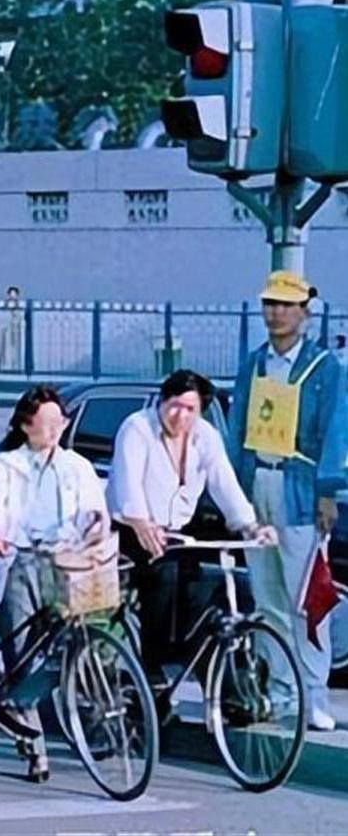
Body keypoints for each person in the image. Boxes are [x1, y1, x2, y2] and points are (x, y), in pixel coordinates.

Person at [226, 270, 348, 732]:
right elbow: (237, 429)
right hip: (259, 482)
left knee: (306, 600)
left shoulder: (325, 368)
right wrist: (235, 493)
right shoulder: (253, 363)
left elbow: (336, 430)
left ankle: (314, 696)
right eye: (270, 304)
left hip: (299, 490)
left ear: (303, 312)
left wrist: (327, 491)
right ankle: (281, 693)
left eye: (285, 305)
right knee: (268, 599)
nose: (276, 313)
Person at [0, 385, 108, 783]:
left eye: (58, 422)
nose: (52, 429)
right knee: (21, 654)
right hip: (19, 560)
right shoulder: (6, 465)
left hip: (66, 562)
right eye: (43, 422)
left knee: (69, 647)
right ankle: (36, 751)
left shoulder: (77, 467)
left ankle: (19, 704)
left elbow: (93, 509)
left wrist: (96, 523)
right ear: (25, 425)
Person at [107, 370, 275, 675]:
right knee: (162, 584)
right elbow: (127, 483)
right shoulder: (137, 428)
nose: (180, 415)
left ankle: (198, 668)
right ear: (162, 401)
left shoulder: (205, 436)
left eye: (190, 409)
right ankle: (152, 670)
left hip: (178, 532)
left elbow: (224, 482)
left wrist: (249, 525)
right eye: (174, 406)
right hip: (134, 529)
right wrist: (142, 523)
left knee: (201, 590)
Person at [0, 286, 26, 371]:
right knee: (6, 350)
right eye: (11, 296)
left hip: (17, 332)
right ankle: (5, 367)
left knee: (16, 350)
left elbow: (21, 319)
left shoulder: (21, 308)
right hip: (6, 333)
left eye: (14, 296)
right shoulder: (4, 307)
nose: (12, 298)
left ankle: (17, 367)